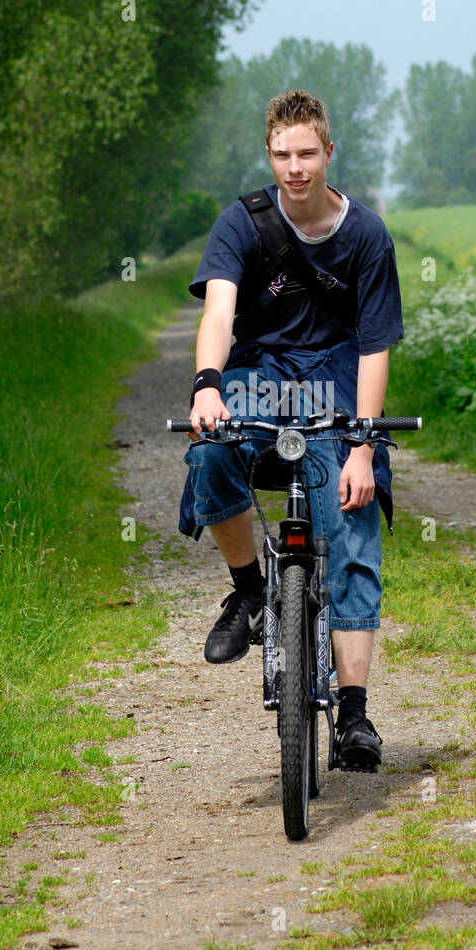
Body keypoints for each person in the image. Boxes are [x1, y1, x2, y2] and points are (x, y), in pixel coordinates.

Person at [176, 89, 404, 770]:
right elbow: (218, 313)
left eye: (308, 153)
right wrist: (208, 384)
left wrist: (363, 446)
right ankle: (250, 593)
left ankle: (356, 714)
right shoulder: (242, 223)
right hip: (260, 373)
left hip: (335, 375)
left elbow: (374, 345)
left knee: (354, 521)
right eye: (283, 154)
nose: (295, 167)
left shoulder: (366, 235)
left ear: (329, 153)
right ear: (269, 154)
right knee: (210, 453)